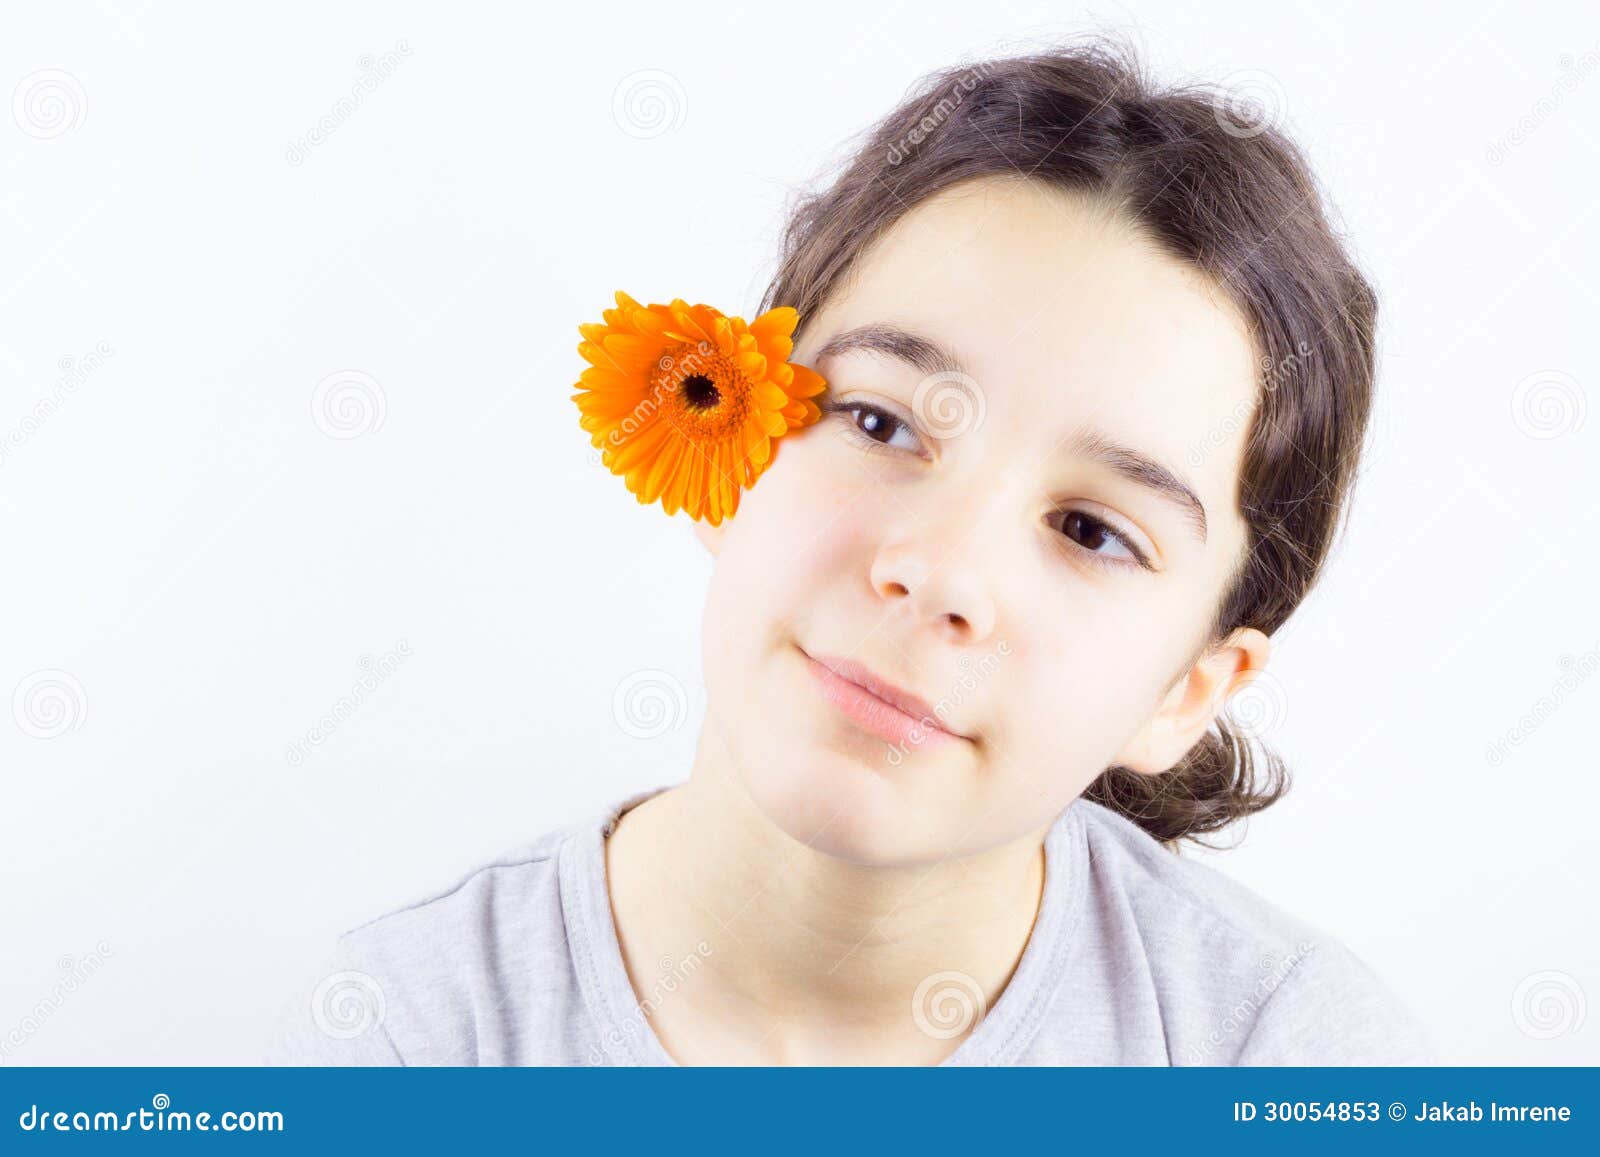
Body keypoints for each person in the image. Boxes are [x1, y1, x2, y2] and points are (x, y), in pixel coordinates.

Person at [264, 36, 1436, 1067]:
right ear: (730, 431)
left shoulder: (1284, 1062)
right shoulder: (409, 1038)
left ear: (1186, 689)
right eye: (878, 421)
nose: (938, 572)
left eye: (1090, 530)